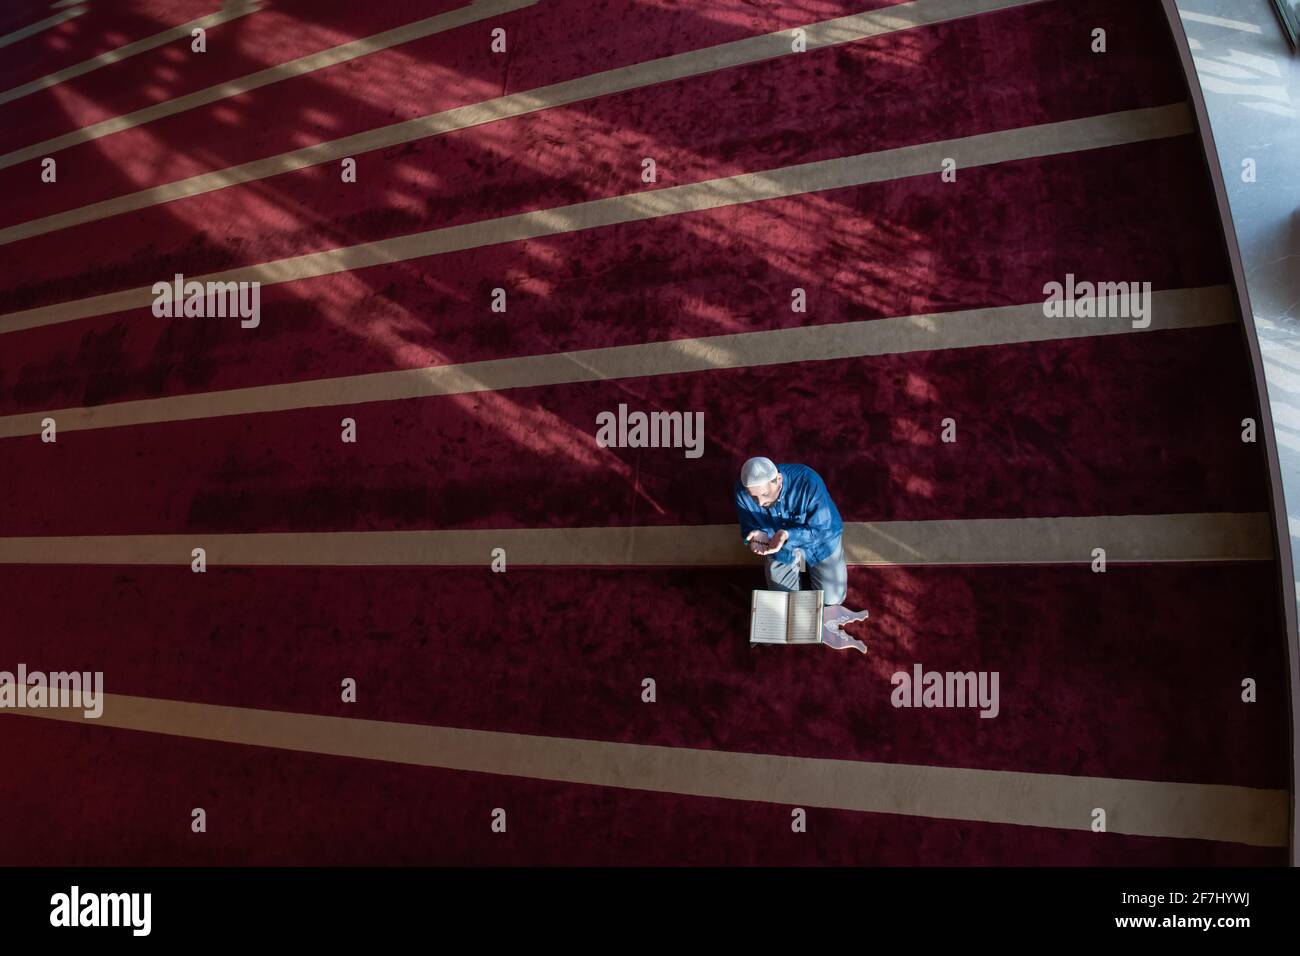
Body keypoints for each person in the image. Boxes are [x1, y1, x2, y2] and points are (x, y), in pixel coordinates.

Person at [733, 457, 847, 607]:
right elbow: (749, 527)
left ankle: (807, 567)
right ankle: (798, 567)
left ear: (778, 479)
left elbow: (822, 530)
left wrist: (788, 535)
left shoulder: (808, 481)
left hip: (820, 543)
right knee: (784, 603)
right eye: (754, 497)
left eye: (765, 494)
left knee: (832, 600)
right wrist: (757, 534)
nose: (760, 503)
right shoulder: (741, 491)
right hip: (780, 548)